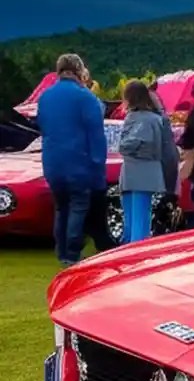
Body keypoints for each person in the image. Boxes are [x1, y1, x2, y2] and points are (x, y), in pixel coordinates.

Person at [36, 53, 112, 266]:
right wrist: (98, 165)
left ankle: (61, 252)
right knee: (79, 206)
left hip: (52, 163)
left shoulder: (45, 97)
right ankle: (72, 254)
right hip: (79, 163)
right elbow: (96, 136)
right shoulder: (86, 98)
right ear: (80, 71)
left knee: (61, 207)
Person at [117, 81, 171, 243]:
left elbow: (129, 143)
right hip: (137, 172)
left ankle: (134, 254)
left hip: (140, 172)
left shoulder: (147, 120)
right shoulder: (152, 118)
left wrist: (123, 146)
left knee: (137, 223)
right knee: (133, 219)